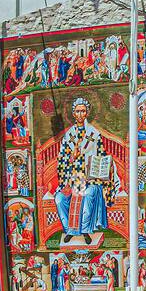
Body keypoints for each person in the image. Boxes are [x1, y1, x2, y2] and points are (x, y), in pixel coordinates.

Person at [53, 97, 116, 246]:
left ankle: (86, 230)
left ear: (87, 113)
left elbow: (100, 155)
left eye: (83, 111)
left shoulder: (94, 134)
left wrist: (101, 167)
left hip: (90, 180)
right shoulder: (68, 136)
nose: (80, 114)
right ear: (73, 114)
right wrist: (70, 159)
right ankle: (69, 230)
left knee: (87, 195)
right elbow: (61, 159)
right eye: (77, 111)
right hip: (72, 179)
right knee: (59, 199)